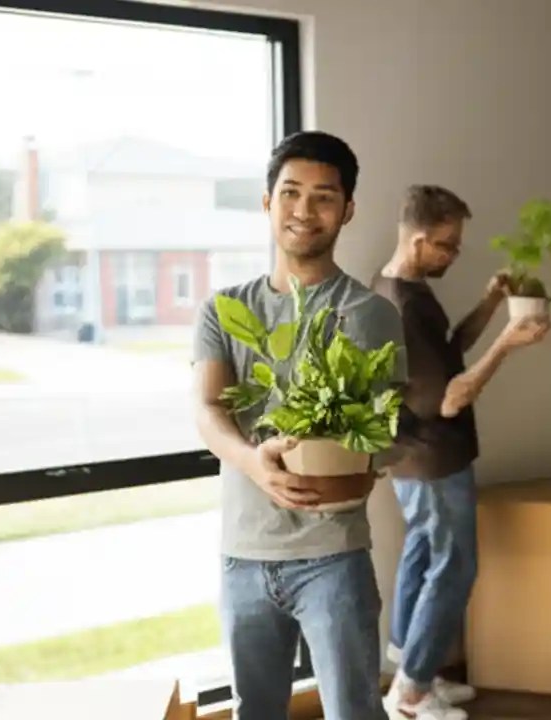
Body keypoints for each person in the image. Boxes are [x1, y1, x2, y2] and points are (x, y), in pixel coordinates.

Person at [192, 131, 403, 720]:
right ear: (267, 202)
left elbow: (382, 430)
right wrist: (253, 463)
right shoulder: (224, 310)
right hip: (243, 554)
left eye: (324, 197)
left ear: (347, 210)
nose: (304, 211)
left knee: (353, 712)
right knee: (254, 712)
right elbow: (209, 410)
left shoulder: (369, 314)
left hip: (331, 555)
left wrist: (364, 473)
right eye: (291, 193)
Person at [373, 185, 550, 720]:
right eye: (448, 246)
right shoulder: (403, 304)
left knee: (422, 554)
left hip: (411, 457)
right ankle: (411, 694)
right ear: (421, 239)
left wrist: (491, 306)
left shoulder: (400, 287)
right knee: (455, 566)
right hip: (434, 457)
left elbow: (447, 352)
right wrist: (507, 345)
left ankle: (411, 666)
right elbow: (451, 397)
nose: (454, 255)